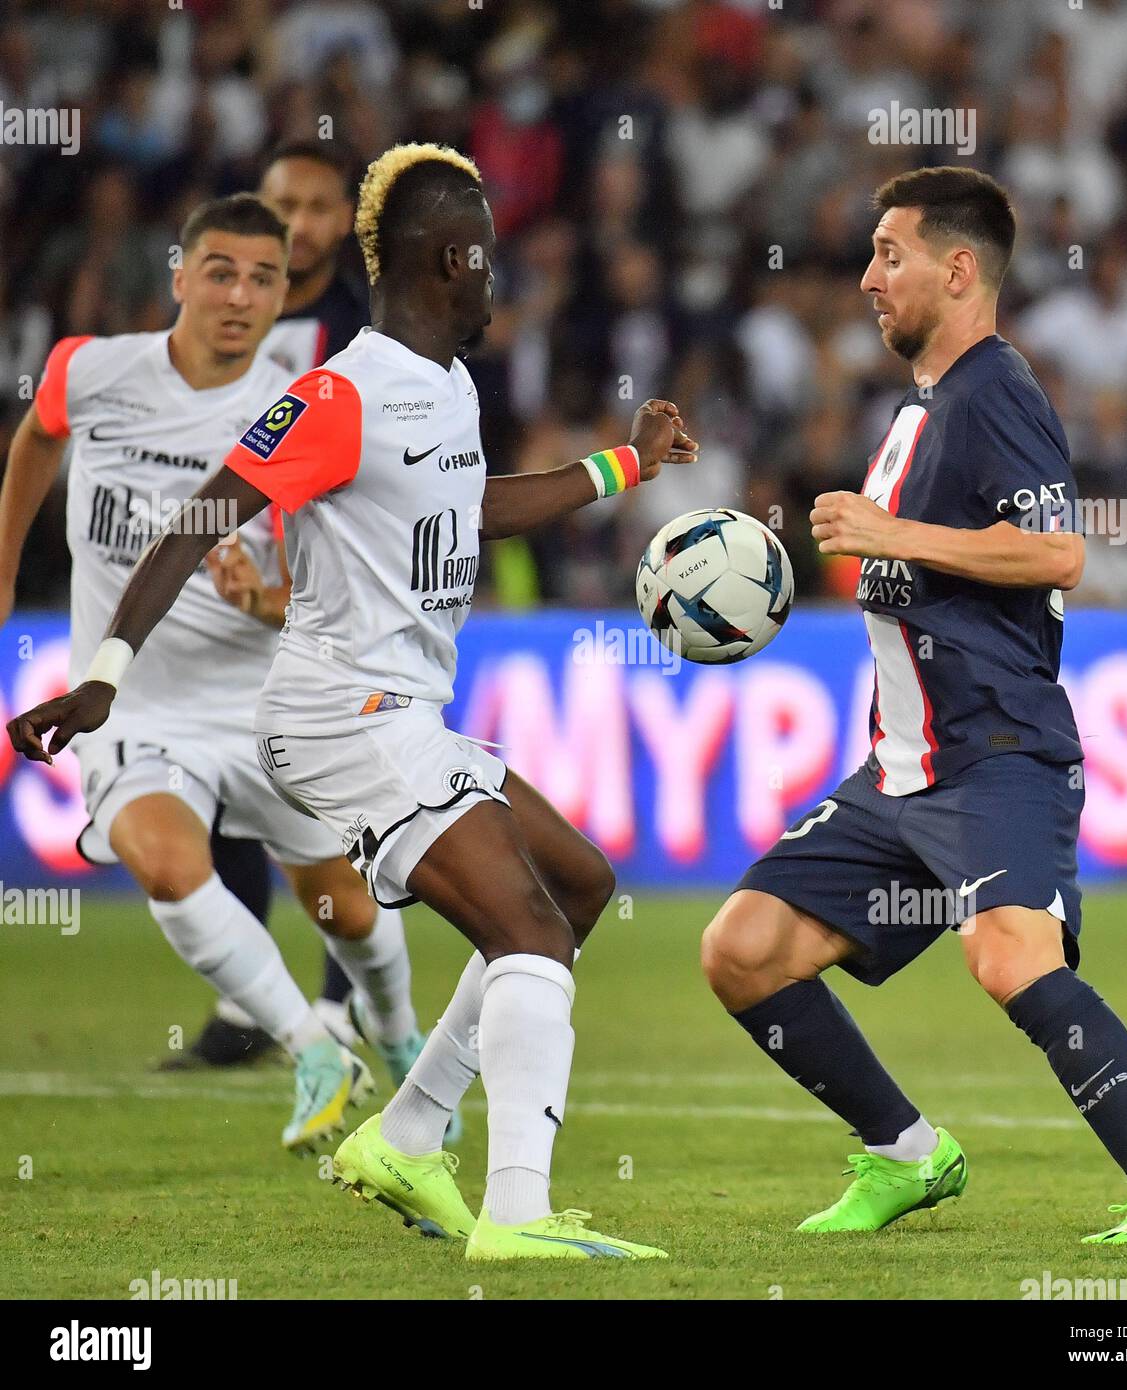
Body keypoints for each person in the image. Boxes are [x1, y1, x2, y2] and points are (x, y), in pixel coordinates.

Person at [7, 143, 700, 1260]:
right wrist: (101, 676)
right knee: (523, 927)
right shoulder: (337, 395)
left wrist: (624, 469)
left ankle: (409, 1135)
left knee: (575, 887)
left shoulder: (450, 386)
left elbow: (471, 508)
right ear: (443, 257)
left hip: (406, 714)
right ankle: (517, 1215)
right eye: (484, 254)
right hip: (341, 715)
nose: (496, 278)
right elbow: (195, 520)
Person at [700, 167, 1127, 1247]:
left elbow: (1056, 551)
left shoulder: (995, 389)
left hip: (995, 748)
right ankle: (907, 1153)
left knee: (1006, 955)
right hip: (899, 766)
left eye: (887, 254)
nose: (865, 278)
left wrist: (893, 536)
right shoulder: (920, 405)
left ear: (956, 269)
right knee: (740, 949)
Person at [0, 193, 428, 1152]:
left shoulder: (300, 406)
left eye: (264, 278)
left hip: (265, 696)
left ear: (287, 293)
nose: (241, 295)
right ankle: (310, 1044)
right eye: (222, 272)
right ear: (180, 275)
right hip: (135, 702)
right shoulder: (90, 370)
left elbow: (346, 569)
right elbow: (35, 442)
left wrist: (268, 604)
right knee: (163, 860)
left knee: (348, 910)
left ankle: (397, 1037)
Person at [186, 139, 373, 1070]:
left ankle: (345, 1002)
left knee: (334, 802)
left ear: (346, 222)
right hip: (221, 590)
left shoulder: (361, 335)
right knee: (227, 803)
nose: (298, 224)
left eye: (316, 207)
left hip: (324, 596)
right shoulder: (217, 322)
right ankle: (246, 1003)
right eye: (281, 204)